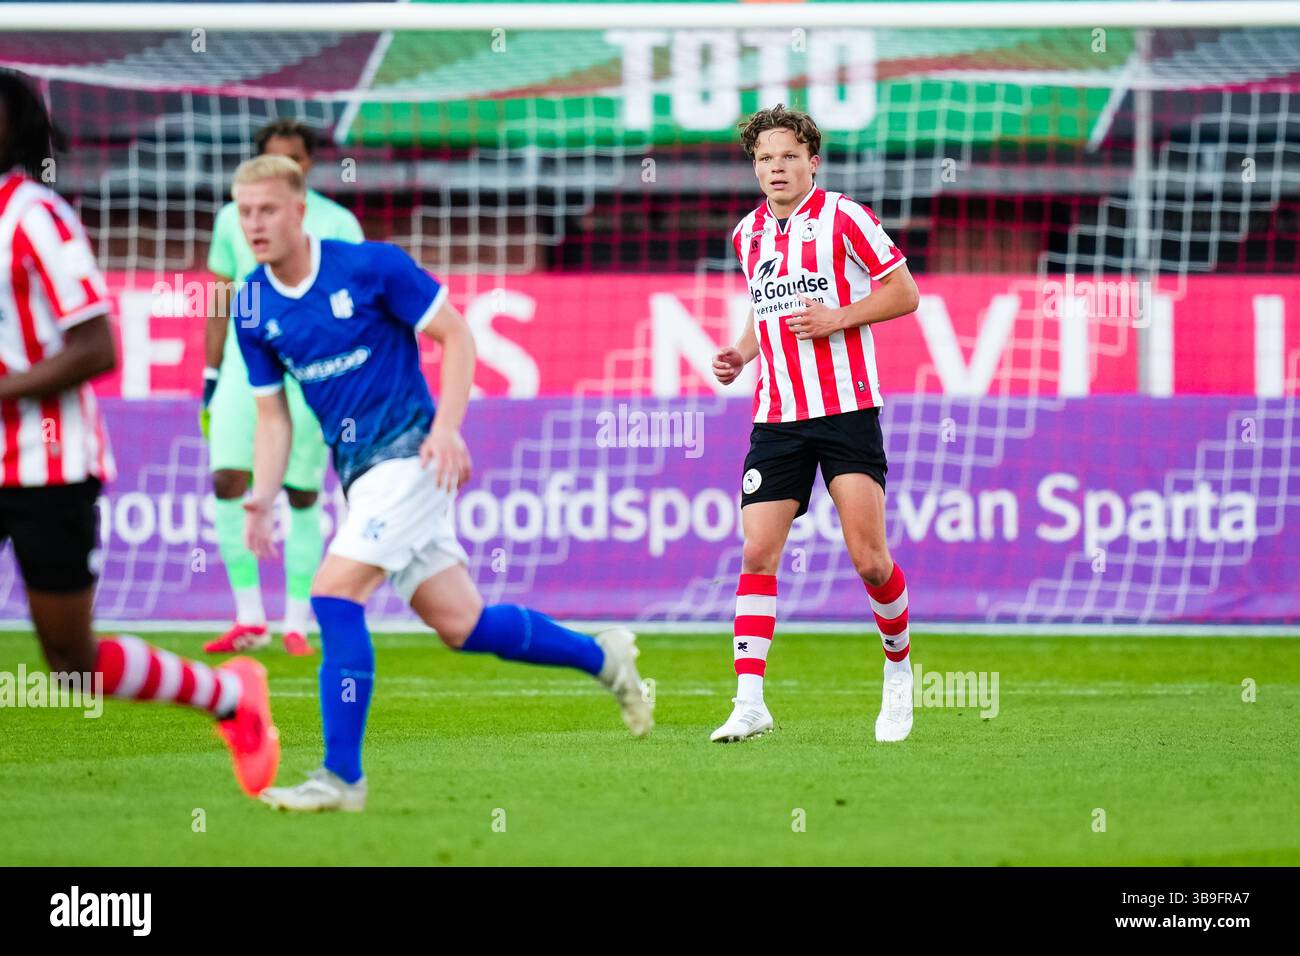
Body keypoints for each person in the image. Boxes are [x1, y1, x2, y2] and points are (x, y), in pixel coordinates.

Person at [227, 155, 652, 812]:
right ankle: (603, 659)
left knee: (334, 595)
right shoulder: (251, 304)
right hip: (361, 476)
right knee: (463, 622)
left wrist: (447, 428)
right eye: (243, 211)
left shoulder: (370, 267)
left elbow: (456, 336)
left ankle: (341, 778)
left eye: (267, 209)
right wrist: (263, 491)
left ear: (299, 209)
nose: (255, 223)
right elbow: (272, 414)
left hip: (413, 456)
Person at [0, 69, 277, 795]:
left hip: (47, 465)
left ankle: (231, 697)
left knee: (71, 662)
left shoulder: (36, 217)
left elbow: (98, 347)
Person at [710, 105, 922, 744]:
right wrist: (739, 355)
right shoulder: (748, 234)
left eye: (787, 156)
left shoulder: (845, 218)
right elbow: (762, 310)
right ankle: (750, 701)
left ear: (812, 161)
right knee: (756, 549)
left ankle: (897, 673)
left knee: (870, 559)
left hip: (847, 409)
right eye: (764, 158)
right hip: (776, 417)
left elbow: (904, 292)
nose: (775, 168)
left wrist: (841, 317)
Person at [202, 119, 364, 657]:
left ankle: (298, 618)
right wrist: (209, 374)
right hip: (241, 366)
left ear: (308, 165)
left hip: (312, 372)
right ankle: (250, 616)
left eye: (294, 160)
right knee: (228, 479)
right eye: (275, 158)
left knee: (301, 493)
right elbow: (222, 296)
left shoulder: (337, 222)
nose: (286, 168)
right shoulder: (232, 219)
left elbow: (355, 306)